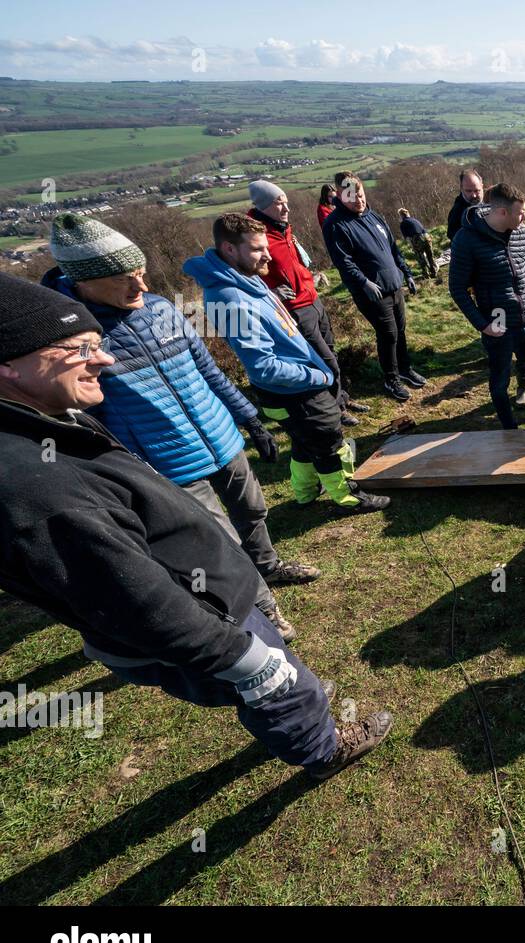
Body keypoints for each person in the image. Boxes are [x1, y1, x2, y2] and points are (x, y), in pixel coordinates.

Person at [0, 273, 392, 782]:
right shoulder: (37, 486)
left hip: (212, 596)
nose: (105, 359)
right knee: (274, 686)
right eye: (77, 349)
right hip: (202, 615)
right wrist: (243, 659)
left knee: (275, 678)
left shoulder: (46, 417)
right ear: (9, 365)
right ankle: (321, 751)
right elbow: (137, 602)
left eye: (97, 344)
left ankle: (291, 700)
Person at [42, 214, 314, 643]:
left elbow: (208, 371)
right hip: (166, 461)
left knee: (253, 511)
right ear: (84, 281)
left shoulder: (160, 309)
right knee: (220, 543)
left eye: (142, 274)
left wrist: (247, 418)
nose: (142, 287)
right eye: (125, 279)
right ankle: (263, 610)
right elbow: (83, 415)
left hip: (222, 438)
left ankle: (268, 565)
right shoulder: (75, 341)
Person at [185, 214, 390, 515]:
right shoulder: (229, 300)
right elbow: (262, 366)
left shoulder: (245, 279)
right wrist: (317, 376)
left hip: (296, 388)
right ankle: (349, 496)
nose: (267, 255)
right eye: (257, 249)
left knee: (304, 442)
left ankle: (305, 492)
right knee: (328, 441)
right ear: (229, 249)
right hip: (294, 390)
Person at [245, 182, 364, 426]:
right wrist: (270, 292)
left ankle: (341, 398)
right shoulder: (255, 237)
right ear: (263, 206)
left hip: (312, 299)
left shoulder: (283, 229)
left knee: (331, 351)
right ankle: (334, 409)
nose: (286, 208)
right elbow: (245, 275)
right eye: (279, 203)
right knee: (323, 360)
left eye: (286, 201)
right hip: (294, 310)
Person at [449, 182, 525, 429]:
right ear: (501, 212)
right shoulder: (466, 239)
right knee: (500, 382)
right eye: (520, 212)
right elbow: (457, 288)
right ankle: (510, 429)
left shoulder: (521, 232)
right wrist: (483, 324)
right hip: (497, 324)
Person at [321, 171, 423, 402]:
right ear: (339, 195)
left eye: (360, 194)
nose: (358, 200)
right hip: (371, 291)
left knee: (400, 329)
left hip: (393, 284)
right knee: (388, 334)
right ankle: (391, 378)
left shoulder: (374, 216)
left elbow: (392, 248)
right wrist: (363, 282)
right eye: (351, 196)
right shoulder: (335, 225)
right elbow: (343, 261)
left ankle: (405, 369)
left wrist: (406, 273)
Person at [397, 207, 437, 280]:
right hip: (427, 236)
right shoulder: (414, 220)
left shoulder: (403, 223)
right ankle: (434, 271)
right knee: (430, 255)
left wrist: (412, 246)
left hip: (417, 239)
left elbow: (407, 238)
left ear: (401, 215)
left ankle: (426, 274)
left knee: (420, 257)